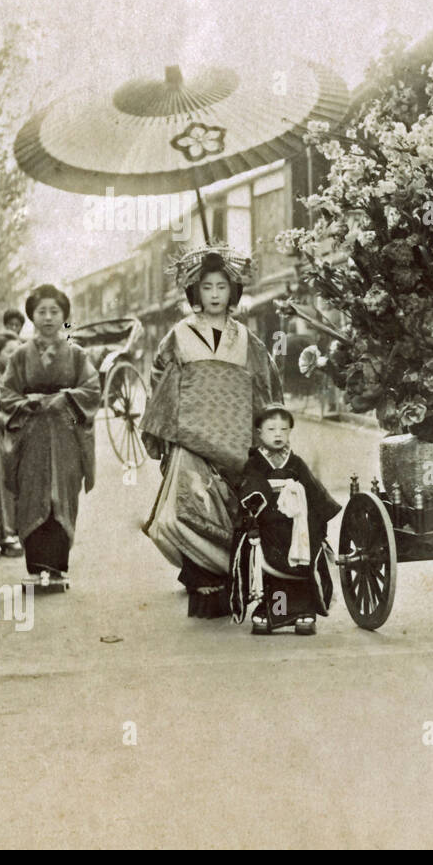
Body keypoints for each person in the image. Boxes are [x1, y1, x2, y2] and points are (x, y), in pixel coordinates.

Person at [141, 244, 283, 618]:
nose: (215, 295)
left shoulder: (247, 339)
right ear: (195, 292)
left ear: (233, 292)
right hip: (189, 434)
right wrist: (168, 429)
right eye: (207, 287)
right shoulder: (179, 335)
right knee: (189, 508)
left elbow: (264, 384)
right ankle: (201, 578)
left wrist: (266, 428)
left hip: (235, 437)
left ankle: (232, 574)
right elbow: (162, 379)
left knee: (228, 507)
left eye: (222, 287)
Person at [0, 285, 100, 589]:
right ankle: (35, 571)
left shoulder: (77, 354)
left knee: (63, 495)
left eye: (54, 311)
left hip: (66, 431)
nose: (48, 317)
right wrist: (25, 403)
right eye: (41, 311)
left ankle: (57, 569)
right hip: (31, 433)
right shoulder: (19, 355)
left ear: (64, 315)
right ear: (32, 315)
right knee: (31, 494)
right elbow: (6, 393)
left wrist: (67, 397)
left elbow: (93, 389)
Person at [233, 404, 341, 635]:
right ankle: (269, 609)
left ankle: (304, 611)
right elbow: (247, 488)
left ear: (290, 431)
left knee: (301, 562)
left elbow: (314, 492)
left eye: (284, 429)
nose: (278, 434)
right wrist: (253, 515)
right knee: (270, 567)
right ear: (259, 433)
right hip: (267, 523)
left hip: (297, 526)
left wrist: (317, 523)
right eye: (271, 429)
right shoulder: (255, 464)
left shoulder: (296, 463)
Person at [0, 333, 24, 558]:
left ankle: (17, 527)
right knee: (4, 477)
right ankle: (4, 530)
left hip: (14, 427)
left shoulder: (16, 372)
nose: (13, 357)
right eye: (9, 352)